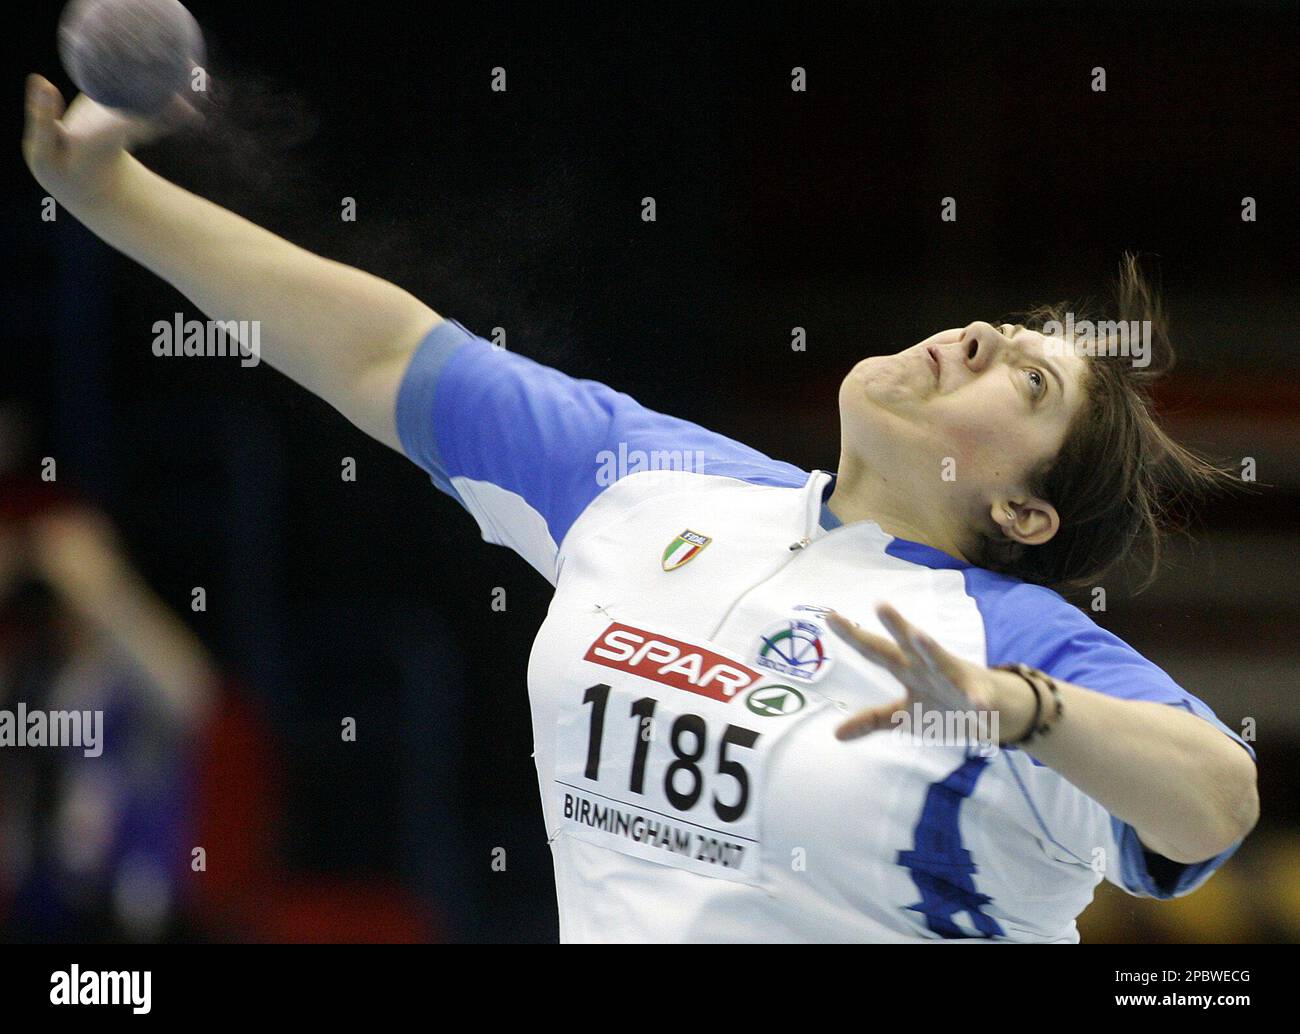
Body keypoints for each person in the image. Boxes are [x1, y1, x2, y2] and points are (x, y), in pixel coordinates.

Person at [21, 76, 1258, 942]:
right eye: (1000, 331)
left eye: (1027, 380)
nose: (980, 337)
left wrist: (1021, 711)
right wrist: (110, 194)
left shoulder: (1009, 643)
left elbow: (1215, 798)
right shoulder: (651, 479)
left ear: (1028, 513)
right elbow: (382, 355)